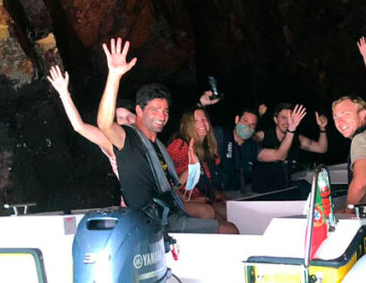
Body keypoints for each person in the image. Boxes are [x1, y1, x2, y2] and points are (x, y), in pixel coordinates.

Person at [95, 37, 237, 234]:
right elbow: (104, 123)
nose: (161, 116)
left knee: (225, 220)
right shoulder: (128, 139)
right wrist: (114, 76)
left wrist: (192, 169)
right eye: (154, 110)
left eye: (165, 111)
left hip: (170, 212)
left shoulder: (157, 147)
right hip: (153, 223)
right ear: (139, 111)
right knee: (230, 231)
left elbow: (172, 187)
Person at [48, 64, 133, 183]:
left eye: (130, 116)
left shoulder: (146, 135)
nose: (126, 121)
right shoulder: (113, 142)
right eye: (121, 118)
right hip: (136, 199)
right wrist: (63, 93)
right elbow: (79, 127)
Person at [167, 107, 227, 220]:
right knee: (210, 214)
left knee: (227, 211)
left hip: (203, 199)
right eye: (196, 121)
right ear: (187, 125)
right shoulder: (180, 145)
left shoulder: (209, 148)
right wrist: (186, 199)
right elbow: (165, 181)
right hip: (180, 202)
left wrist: (216, 194)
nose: (202, 124)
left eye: (204, 119)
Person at [253, 103, 329, 193]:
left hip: (286, 188)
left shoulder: (297, 138)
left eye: (291, 118)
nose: (288, 121)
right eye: (284, 118)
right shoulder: (260, 136)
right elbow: (280, 155)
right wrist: (291, 129)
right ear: (275, 120)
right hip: (263, 193)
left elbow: (321, 148)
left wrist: (322, 128)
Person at [214, 108, 260, 193]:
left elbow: (278, 155)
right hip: (219, 193)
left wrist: (290, 131)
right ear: (237, 120)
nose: (248, 127)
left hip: (241, 194)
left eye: (252, 125)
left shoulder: (252, 145)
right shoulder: (220, 134)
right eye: (245, 121)